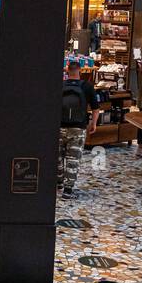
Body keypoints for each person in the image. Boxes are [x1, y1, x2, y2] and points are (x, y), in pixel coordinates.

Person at [59, 61, 99, 198]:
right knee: (73, 158)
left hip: (60, 126)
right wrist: (93, 123)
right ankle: (68, 190)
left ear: (67, 70)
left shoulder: (61, 85)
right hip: (78, 128)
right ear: (80, 71)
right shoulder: (87, 86)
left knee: (58, 156)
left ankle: (58, 182)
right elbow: (95, 108)